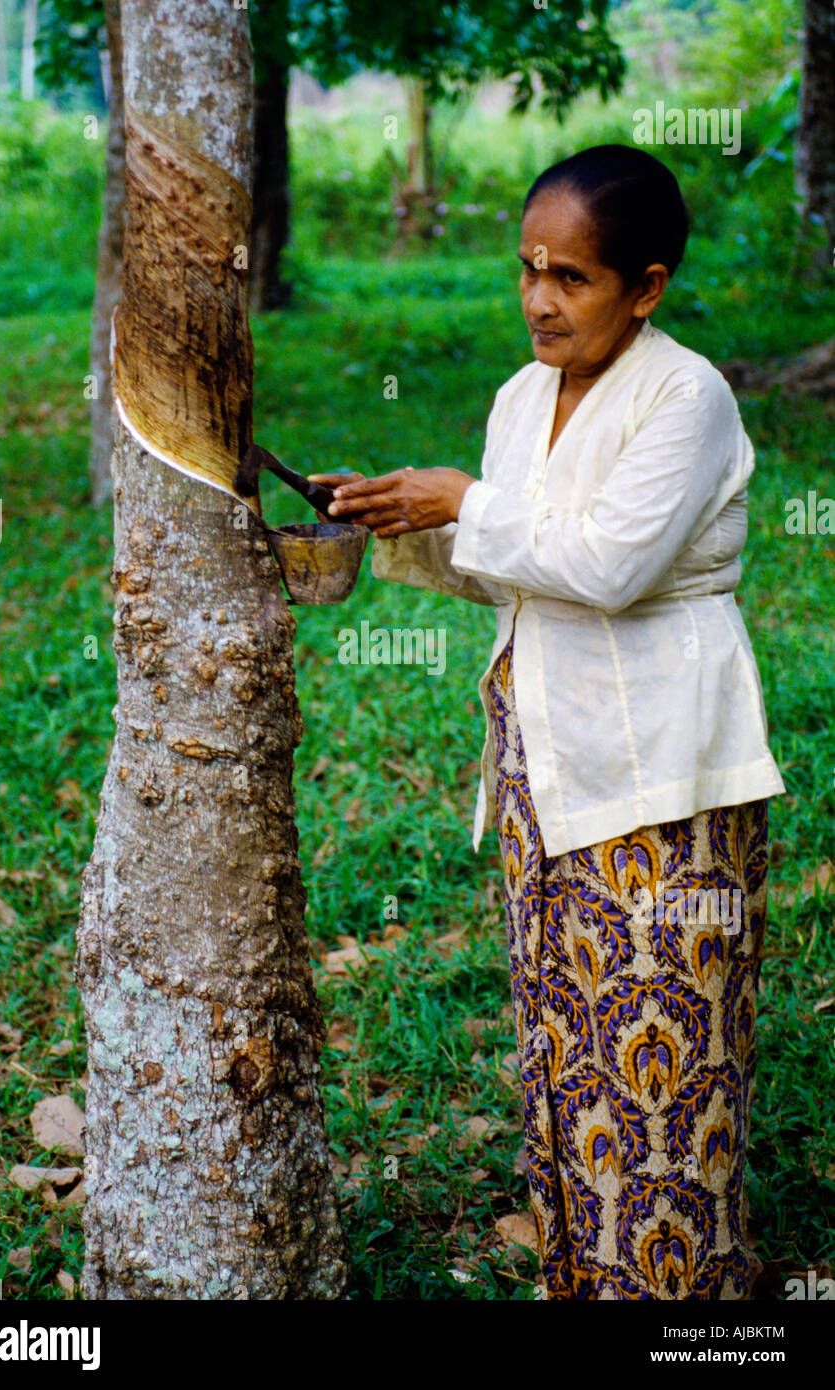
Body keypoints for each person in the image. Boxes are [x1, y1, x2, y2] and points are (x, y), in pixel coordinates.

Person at [308, 144, 786, 1301]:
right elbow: (521, 566)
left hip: (663, 772)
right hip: (542, 758)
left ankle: (682, 1300)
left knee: (665, 1058)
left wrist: (461, 502)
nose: (537, 299)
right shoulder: (522, 397)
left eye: (570, 278)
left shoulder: (687, 396)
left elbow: (610, 565)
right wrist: (397, 518)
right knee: (567, 1035)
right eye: (527, 269)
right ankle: (581, 1270)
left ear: (647, 286)